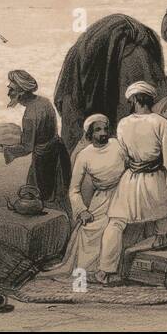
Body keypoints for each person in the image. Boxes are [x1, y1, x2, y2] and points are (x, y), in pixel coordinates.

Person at [98, 82, 167, 285]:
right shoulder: (161, 122)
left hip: (131, 181)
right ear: (150, 99)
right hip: (155, 180)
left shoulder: (123, 123)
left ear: (133, 100)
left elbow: (123, 156)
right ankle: (161, 240)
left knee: (116, 222)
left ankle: (105, 270)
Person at [48, 114, 125, 277]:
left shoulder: (118, 145)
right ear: (89, 134)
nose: (103, 133)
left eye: (105, 129)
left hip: (124, 194)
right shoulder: (84, 155)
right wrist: (82, 210)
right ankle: (82, 280)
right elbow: (74, 189)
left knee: (117, 227)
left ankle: (109, 274)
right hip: (102, 199)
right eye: (98, 130)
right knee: (88, 230)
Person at [0, 70, 71, 216]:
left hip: (44, 161)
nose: (8, 93)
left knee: (39, 201)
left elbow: (27, 147)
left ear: (22, 92)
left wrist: (6, 150)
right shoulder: (44, 102)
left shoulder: (30, 115)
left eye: (11, 89)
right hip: (58, 154)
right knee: (60, 197)